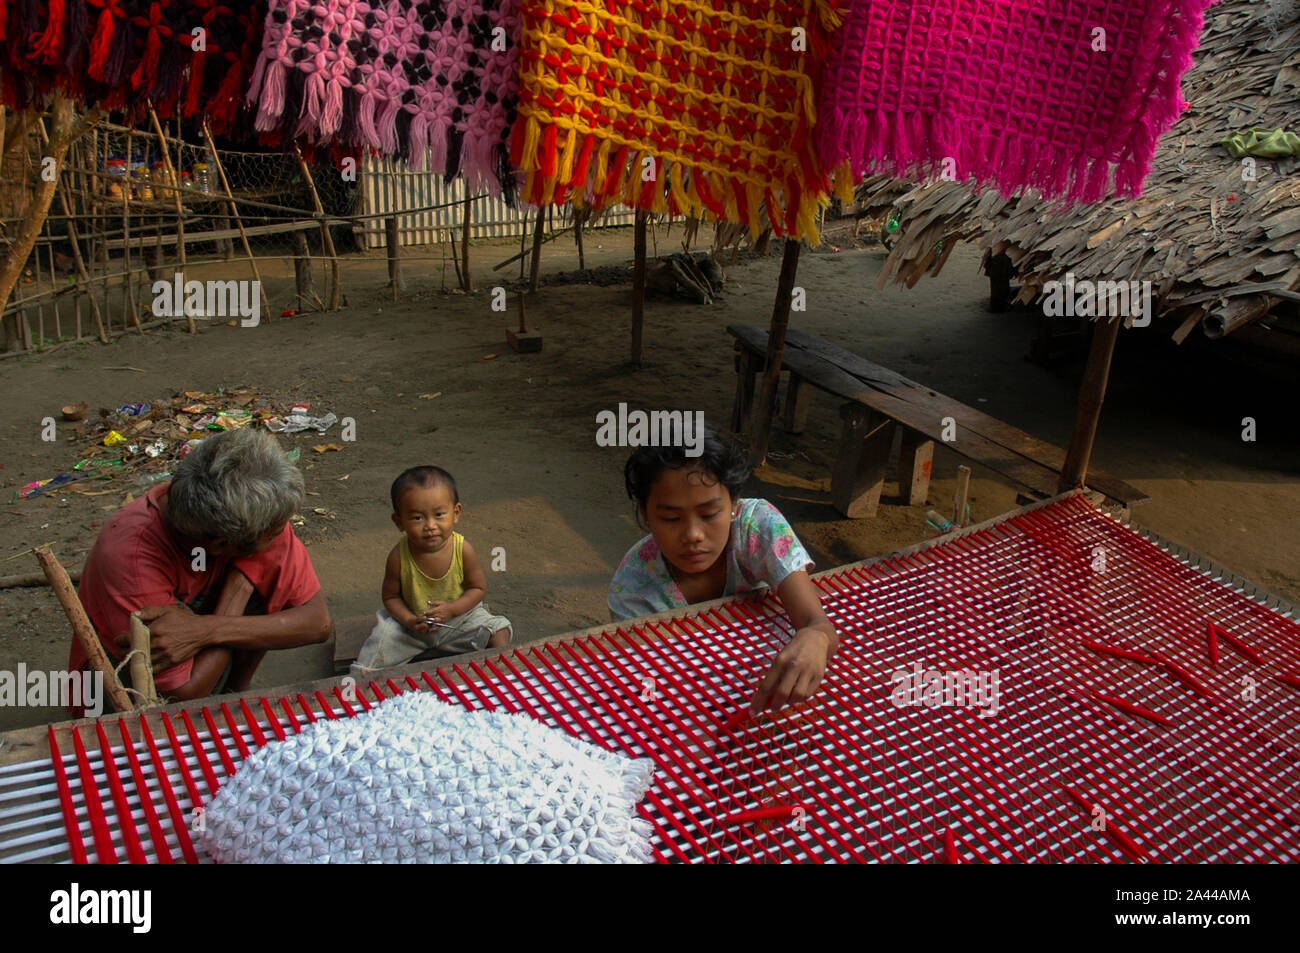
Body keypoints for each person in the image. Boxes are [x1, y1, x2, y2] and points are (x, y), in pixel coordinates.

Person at [72, 428, 331, 709]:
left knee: (266, 587)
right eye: (275, 532)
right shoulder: (131, 556)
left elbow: (317, 622)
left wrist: (215, 620)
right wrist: (235, 595)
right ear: (222, 543)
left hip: (202, 646)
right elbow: (185, 692)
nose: (283, 534)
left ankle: (233, 696)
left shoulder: (260, 515)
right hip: (123, 691)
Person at [608, 425, 837, 713]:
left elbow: (817, 623)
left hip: (764, 683)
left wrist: (815, 636)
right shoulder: (633, 588)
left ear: (733, 504)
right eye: (670, 517)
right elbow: (651, 685)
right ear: (646, 515)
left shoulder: (757, 528)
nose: (693, 534)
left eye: (709, 514)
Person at [352, 466, 511, 675]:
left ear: (456, 513)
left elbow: (478, 588)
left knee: (499, 629)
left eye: (439, 514)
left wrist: (452, 609)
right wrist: (409, 620)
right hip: (412, 629)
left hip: (459, 621)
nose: (430, 525)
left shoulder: (462, 549)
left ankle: (504, 671)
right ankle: (359, 688)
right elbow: (390, 598)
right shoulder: (398, 556)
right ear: (399, 522)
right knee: (377, 646)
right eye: (417, 518)